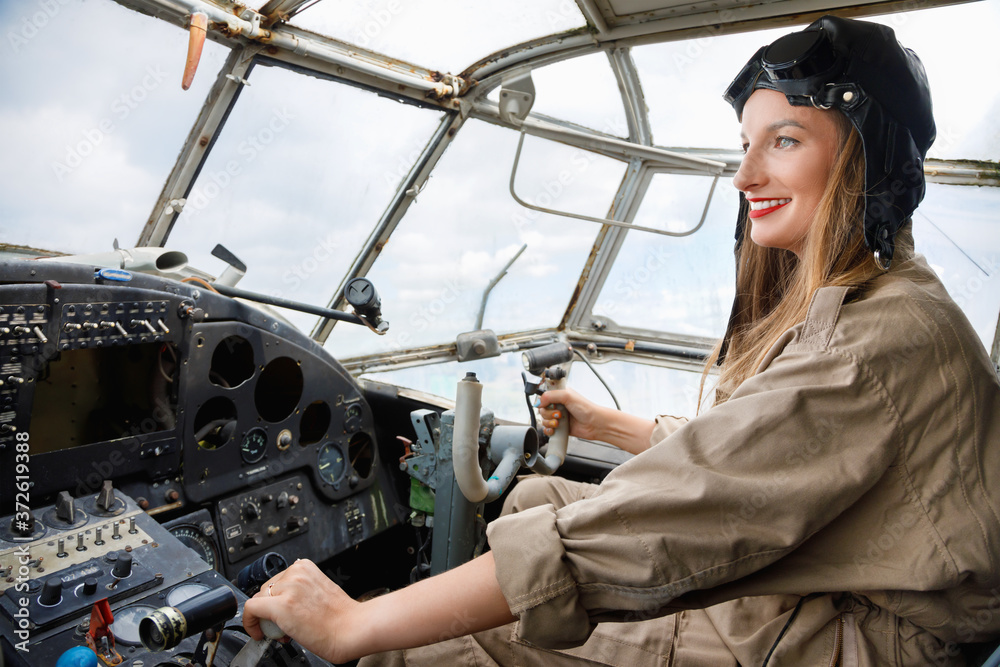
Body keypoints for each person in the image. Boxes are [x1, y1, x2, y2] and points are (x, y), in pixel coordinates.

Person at [243, 15, 1000, 666]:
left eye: (785, 140)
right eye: (746, 143)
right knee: (535, 495)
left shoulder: (875, 341)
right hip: (852, 592)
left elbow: (680, 511)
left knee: (418, 645)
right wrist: (610, 426)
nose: (745, 175)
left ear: (867, 158)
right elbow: (765, 445)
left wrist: (355, 623)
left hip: (867, 638)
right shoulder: (885, 295)